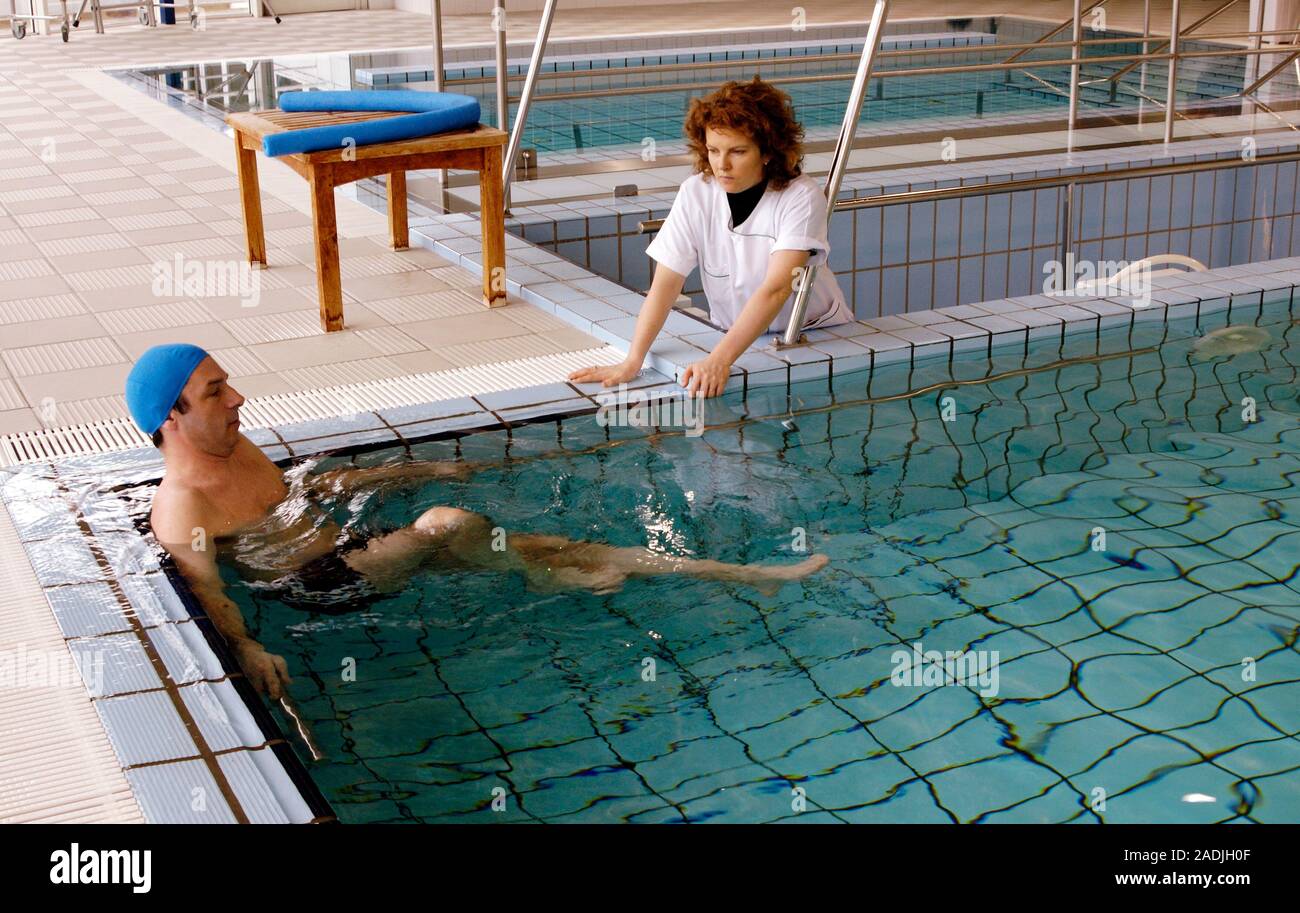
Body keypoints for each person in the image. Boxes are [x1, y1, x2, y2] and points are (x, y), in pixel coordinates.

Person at [126, 344, 829, 698]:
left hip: (354, 549)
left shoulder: (236, 443)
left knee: (548, 541)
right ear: (173, 418)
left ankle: (742, 573)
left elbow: (317, 486)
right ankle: (556, 581)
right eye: (217, 391)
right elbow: (206, 588)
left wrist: (411, 469)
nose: (238, 396)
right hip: (320, 586)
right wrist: (247, 650)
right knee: (448, 523)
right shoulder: (183, 504)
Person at [570, 75, 852, 399]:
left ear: (768, 151)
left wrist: (719, 360)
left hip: (811, 334)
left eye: (738, 151)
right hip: (737, 335)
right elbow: (666, 282)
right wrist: (633, 360)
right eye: (713, 150)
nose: (722, 165)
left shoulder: (800, 197)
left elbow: (776, 288)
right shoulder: (697, 192)